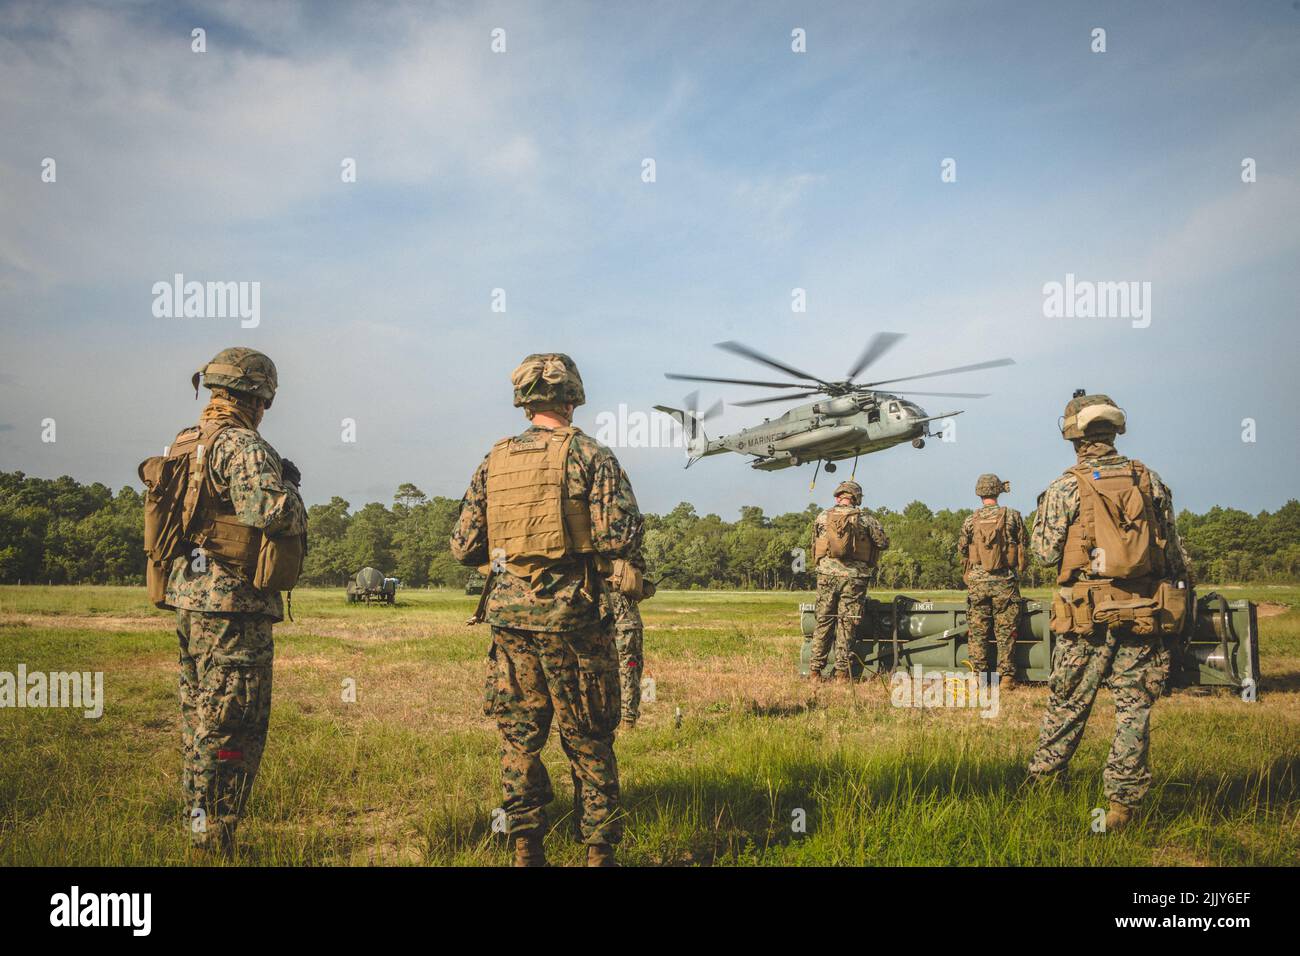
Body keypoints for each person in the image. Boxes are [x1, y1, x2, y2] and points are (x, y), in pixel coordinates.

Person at [450, 353, 645, 866]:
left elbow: (465, 546)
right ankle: (599, 852)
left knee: (519, 738)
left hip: (509, 618)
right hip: (573, 619)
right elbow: (619, 535)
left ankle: (525, 847)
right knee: (588, 736)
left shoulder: (493, 460)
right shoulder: (590, 455)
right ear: (573, 398)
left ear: (524, 401)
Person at [141, 347, 306, 858]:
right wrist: (294, 491)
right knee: (233, 724)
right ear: (257, 396)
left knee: (199, 718)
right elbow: (270, 512)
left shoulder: (186, 441)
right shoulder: (242, 444)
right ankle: (216, 839)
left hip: (191, 598)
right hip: (233, 606)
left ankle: (198, 824)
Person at [1026, 391, 1191, 831]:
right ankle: (1123, 805)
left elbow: (1043, 554)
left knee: (1068, 702)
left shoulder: (1065, 486)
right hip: (1143, 612)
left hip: (1084, 616)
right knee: (1133, 709)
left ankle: (1044, 780)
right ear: (1115, 429)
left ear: (1073, 435)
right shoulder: (1148, 480)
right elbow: (1173, 553)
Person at [808, 479, 889, 682]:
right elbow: (883, 542)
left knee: (823, 621)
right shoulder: (866, 519)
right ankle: (842, 673)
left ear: (838, 496)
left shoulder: (822, 517)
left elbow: (815, 542)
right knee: (847, 624)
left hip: (826, 576)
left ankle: (815, 671)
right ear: (856, 498)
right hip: (854, 578)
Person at [958, 474, 1029, 691]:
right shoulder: (1013, 516)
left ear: (979, 493)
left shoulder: (971, 520)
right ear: (998, 491)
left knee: (977, 631)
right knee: (1006, 632)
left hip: (978, 583)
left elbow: (962, 548)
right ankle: (1006, 677)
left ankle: (978, 676)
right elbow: (1024, 543)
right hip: (1005, 581)